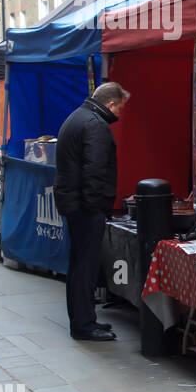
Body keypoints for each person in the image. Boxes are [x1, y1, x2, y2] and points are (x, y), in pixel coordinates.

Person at [54, 81, 128, 341]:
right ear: (110, 104)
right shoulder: (95, 125)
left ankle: (84, 319)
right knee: (85, 265)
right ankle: (84, 325)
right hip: (86, 207)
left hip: (74, 204)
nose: (120, 113)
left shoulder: (79, 117)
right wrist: (97, 206)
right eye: (120, 107)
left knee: (79, 265)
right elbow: (95, 171)